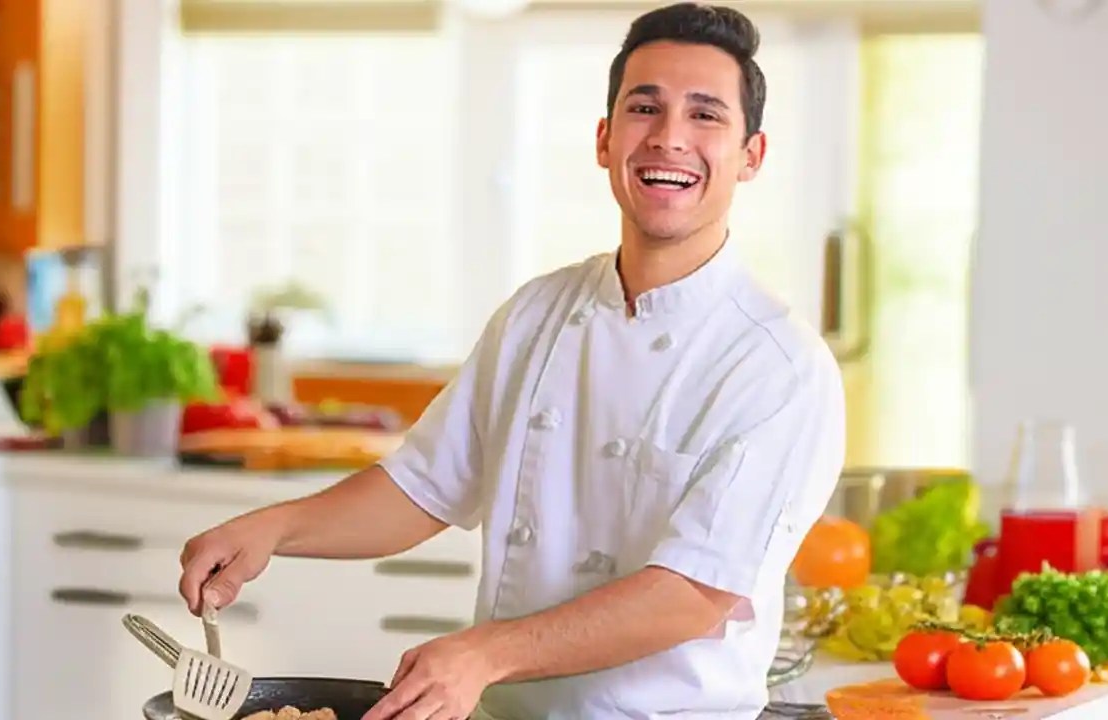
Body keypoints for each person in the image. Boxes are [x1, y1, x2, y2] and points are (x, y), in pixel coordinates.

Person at [178, 3, 846, 718]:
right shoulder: (539, 313)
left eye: (706, 115)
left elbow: (693, 594)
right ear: (604, 138)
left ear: (752, 156)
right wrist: (273, 529)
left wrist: (485, 652)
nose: (669, 137)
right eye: (644, 107)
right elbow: (422, 489)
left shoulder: (778, 366)